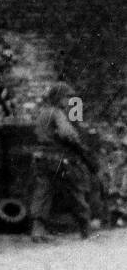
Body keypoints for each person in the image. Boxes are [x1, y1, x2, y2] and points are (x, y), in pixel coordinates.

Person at [29, 81, 97, 242]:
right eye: (66, 97)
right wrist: (81, 148)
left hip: (41, 158)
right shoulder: (57, 113)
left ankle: (37, 232)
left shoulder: (42, 113)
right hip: (59, 160)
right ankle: (86, 229)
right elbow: (68, 134)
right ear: (58, 98)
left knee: (43, 193)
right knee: (75, 191)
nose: (68, 101)